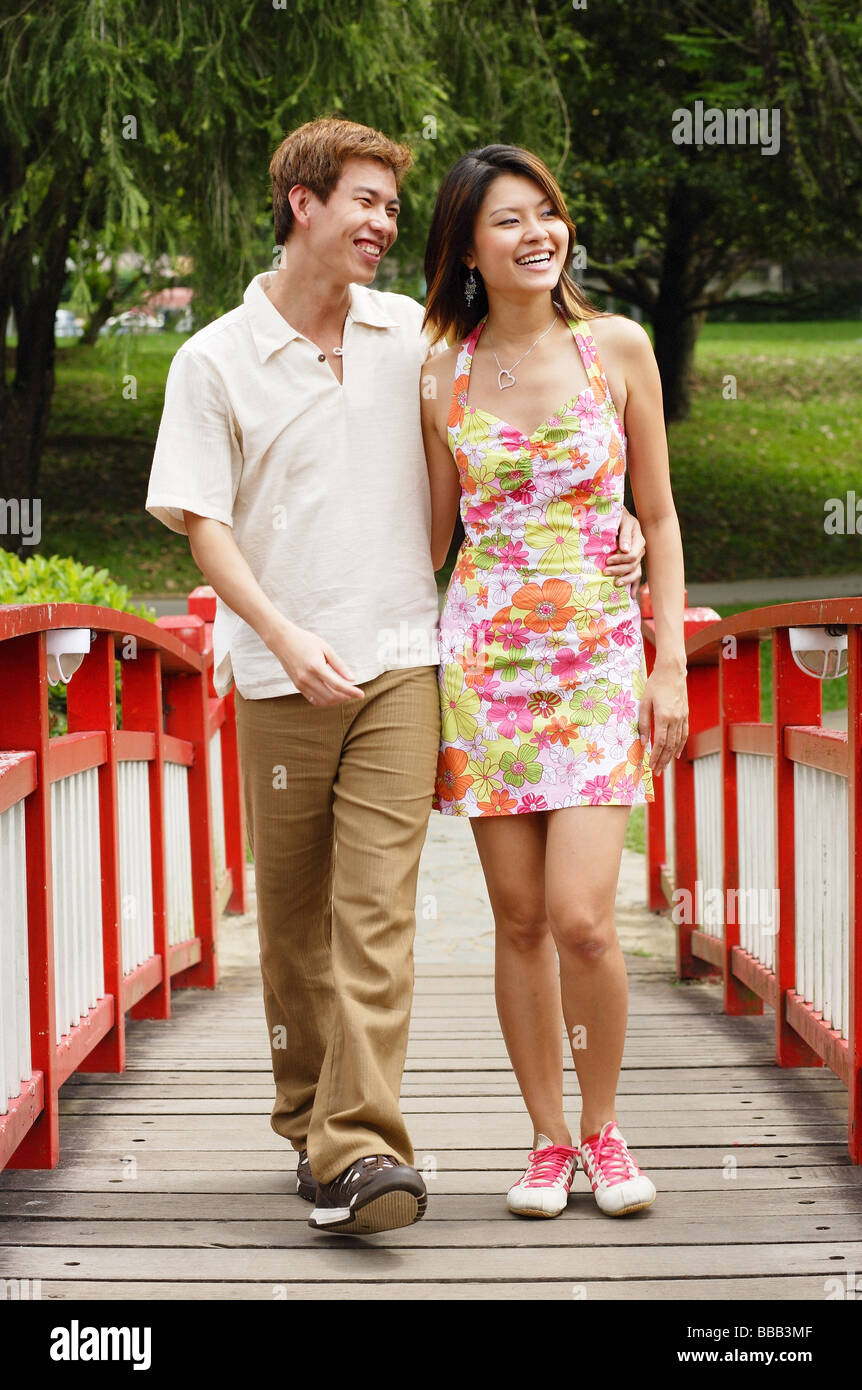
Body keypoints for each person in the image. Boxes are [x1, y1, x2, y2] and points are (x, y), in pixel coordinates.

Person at [145, 118, 647, 1237]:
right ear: (301, 203)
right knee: (292, 925)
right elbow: (202, 527)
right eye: (364, 202)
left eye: (391, 206)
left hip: (406, 665)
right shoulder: (213, 358)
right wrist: (278, 630)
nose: (381, 224)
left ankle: (360, 1151)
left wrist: (620, 526)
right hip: (281, 672)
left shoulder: (411, 344)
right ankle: (308, 1118)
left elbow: (521, 461)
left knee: (374, 916)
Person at [420, 144, 688, 1219]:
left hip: (595, 659)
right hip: (485, 668)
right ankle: (544, 1140)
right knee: (519, 918)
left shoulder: (614, 347)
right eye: (508, 221)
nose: (537, 234)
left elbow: (658, 516)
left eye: (548, 214)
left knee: (584, 917)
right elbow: (427, 539)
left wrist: (666, 658)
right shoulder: (444, 368)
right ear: (469, 250)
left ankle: (604, 1133)